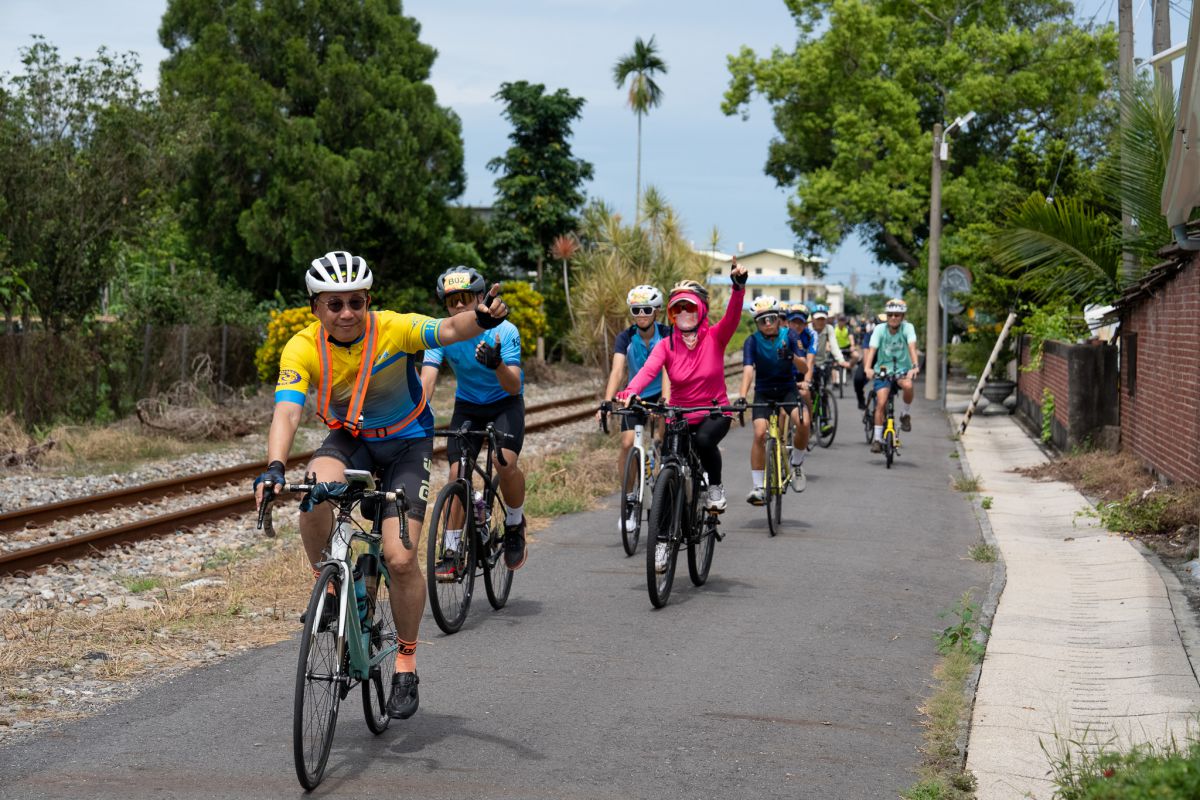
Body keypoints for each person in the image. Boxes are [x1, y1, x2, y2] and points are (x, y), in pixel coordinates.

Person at [254, 251, 509, 721]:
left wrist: (482, 317)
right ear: (316, 308)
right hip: (350, 441)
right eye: (334, 304)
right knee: (312, 497)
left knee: (400, 557)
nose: (347, 313)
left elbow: (447, 330)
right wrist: (274, 465)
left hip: (406, 447)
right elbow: (288, 409)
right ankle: (326, 588)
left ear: (368, 301)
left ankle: (407, 663)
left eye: (356, 302)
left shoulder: (394, 327)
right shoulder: (301, 347)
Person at [618, 261, 749, 572]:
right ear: (672, 316)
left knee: (704, 441)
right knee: (668, 474)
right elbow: (647, 372)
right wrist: (630, 392)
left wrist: (738, 288)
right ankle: (662, 544)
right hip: (679, 413)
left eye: (691, 309)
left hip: (713, 411)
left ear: (701, 310)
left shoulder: (716, 337)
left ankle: (714, 488)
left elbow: (733, 314)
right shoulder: (666, 345)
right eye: (678, 311)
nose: (685, 315)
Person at [421, 266, 529, 577]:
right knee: (457, 473)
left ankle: (514, 522)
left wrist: (496, 365)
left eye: (465, 299)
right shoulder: (442, 333)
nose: (458, 307)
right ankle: (453, 549)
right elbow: (427, 381)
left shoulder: (505, 331)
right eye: (451, 302)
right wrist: (416, 415)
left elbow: (513, 385)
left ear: (481, 298)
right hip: (467, 405)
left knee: (504, 463)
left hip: (504, 403)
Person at [598, 285, 671, 535]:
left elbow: (667, 370)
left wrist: (664, 399)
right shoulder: (626, 337)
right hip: (635, 395)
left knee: (663, 440)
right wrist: (608, 400)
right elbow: (618, 370)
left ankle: (659, 449)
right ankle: (629, 500)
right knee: (627, 444)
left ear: (657, 311)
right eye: (636, 310)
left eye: (646, 309)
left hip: (662, 392)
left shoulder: (668, 334)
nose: (641, 314)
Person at [737, 295, 809, 503]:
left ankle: (796, 465)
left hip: (787, 389)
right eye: (762, 320)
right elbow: (748, 371)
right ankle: (758, 486)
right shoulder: (752, 341)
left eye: (771, 318)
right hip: (764, 392)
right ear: (756, 323)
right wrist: (742, 395)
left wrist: (792, 357)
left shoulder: (791, 335)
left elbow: (804, 368)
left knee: (803, 422)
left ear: (778, 318)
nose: (767, 323)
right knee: (760, 433)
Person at [863, 298, 921, 452]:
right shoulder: (880, 329)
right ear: (886, 316)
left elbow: (912, 346)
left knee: (908, 385)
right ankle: (877, 439)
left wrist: (915, 366)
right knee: (881, 403)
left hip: (902, 369)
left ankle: (905, 414)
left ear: (902, 317)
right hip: (883, 369)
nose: (893, 318)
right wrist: (868, 368)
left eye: (897, 315)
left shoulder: (908, 328)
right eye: (890, 315)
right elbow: (872, 348)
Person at [785, 304, 818, 452]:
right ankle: (780, 438)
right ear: (788, 322)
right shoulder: (782, 334)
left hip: (802, 372)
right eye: (794, 322)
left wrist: (807, 381)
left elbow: (810, 361)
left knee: (805, 394)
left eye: (800, 323)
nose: (797, 326)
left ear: (806, 324)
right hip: (785, 373)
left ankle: (808, 427)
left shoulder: (811, 335)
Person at [811, 307, 851, 398]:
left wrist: (841, 360)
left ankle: (824, 407)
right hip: (809, 362)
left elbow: (834, 345)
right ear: (812, 319)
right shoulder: (808, 328)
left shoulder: (829, 328)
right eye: (818, 319)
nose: (821, 322)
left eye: (823, 319)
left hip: (822, 361)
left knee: (823, 390)